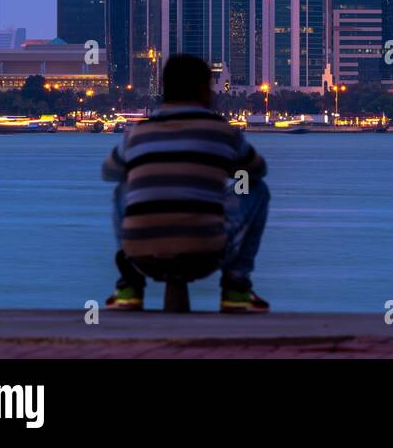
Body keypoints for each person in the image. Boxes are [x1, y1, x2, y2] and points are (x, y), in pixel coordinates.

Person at [102, 54, 271, 313]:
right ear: (204, 90)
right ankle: (236, 286)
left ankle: (130, 285)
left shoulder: (136, 133)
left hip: (142, 255)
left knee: (123, 187)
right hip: (206, 252)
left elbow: (109, 172)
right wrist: (216, 166)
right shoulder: (223, 132)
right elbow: (258, 170)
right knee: (255, 188)